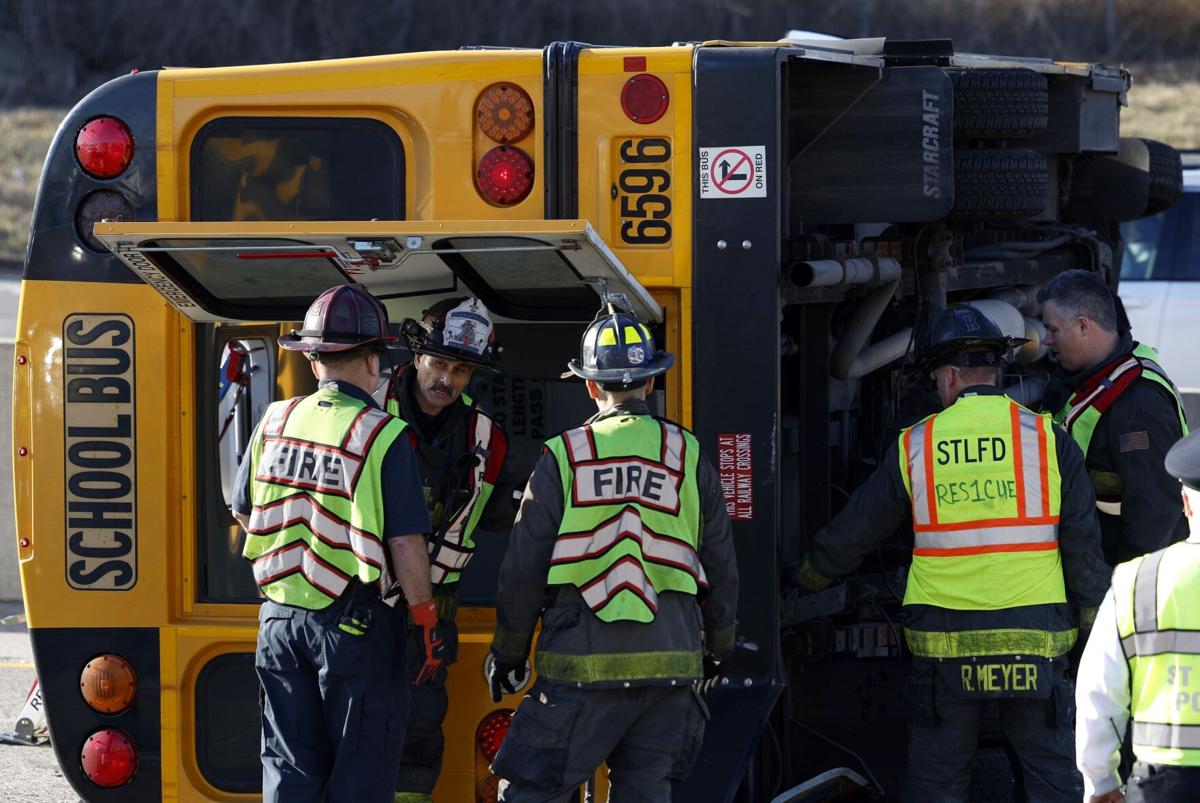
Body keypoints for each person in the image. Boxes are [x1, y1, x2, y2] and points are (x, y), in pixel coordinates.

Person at [790, 306, 1110, 802]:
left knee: (937, 783)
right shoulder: (1049, 441)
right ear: (996, 373)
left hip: (947, 650)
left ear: (948, 376)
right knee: (1052, 779)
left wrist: (806, 579)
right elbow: (1083, 548)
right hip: (1034, 644)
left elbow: (856, 530)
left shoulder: (918, 444)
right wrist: (1093, 629)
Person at [486, 294, 739, 802]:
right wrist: (718, 646)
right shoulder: (687, 454)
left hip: (581, 666)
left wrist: (509, 652)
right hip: (671, 665)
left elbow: (523, 568)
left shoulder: (564, 456)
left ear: (589, 386)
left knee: (533, 792)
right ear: (650, 381)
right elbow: (721, 565)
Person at [231, 285, 444, 803]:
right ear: (373, 361)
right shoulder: (382, 434)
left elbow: (242, 508)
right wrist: (425, 618)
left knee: (288, 770)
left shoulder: (275, 420)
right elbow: (406, 544)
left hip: (278, 621)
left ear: (312, 359)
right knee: (361, 775)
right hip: (354, 625)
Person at [385, 297, 519, 803]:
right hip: (357, 609)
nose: (447, 379)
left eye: (461, 369)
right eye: (439, 363)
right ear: (417, 355)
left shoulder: (490, 440)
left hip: (432, 620)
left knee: (416, 745)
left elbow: (505, 515)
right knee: (349, 736)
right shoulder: (365, 412)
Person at [1076, 429, 1200, 803]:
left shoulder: (1137, 580)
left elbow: (1099, 693)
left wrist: (1101, 781)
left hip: (1165, 785)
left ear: (1186, 503)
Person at [1038, 269, 1189, 565]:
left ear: (1083, 326)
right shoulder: (1088, 379)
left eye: (1053, 330)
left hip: (1130, 572)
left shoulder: (1138, 403)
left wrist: (1127, 588)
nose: (1046, 341)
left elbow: (1154, 510)